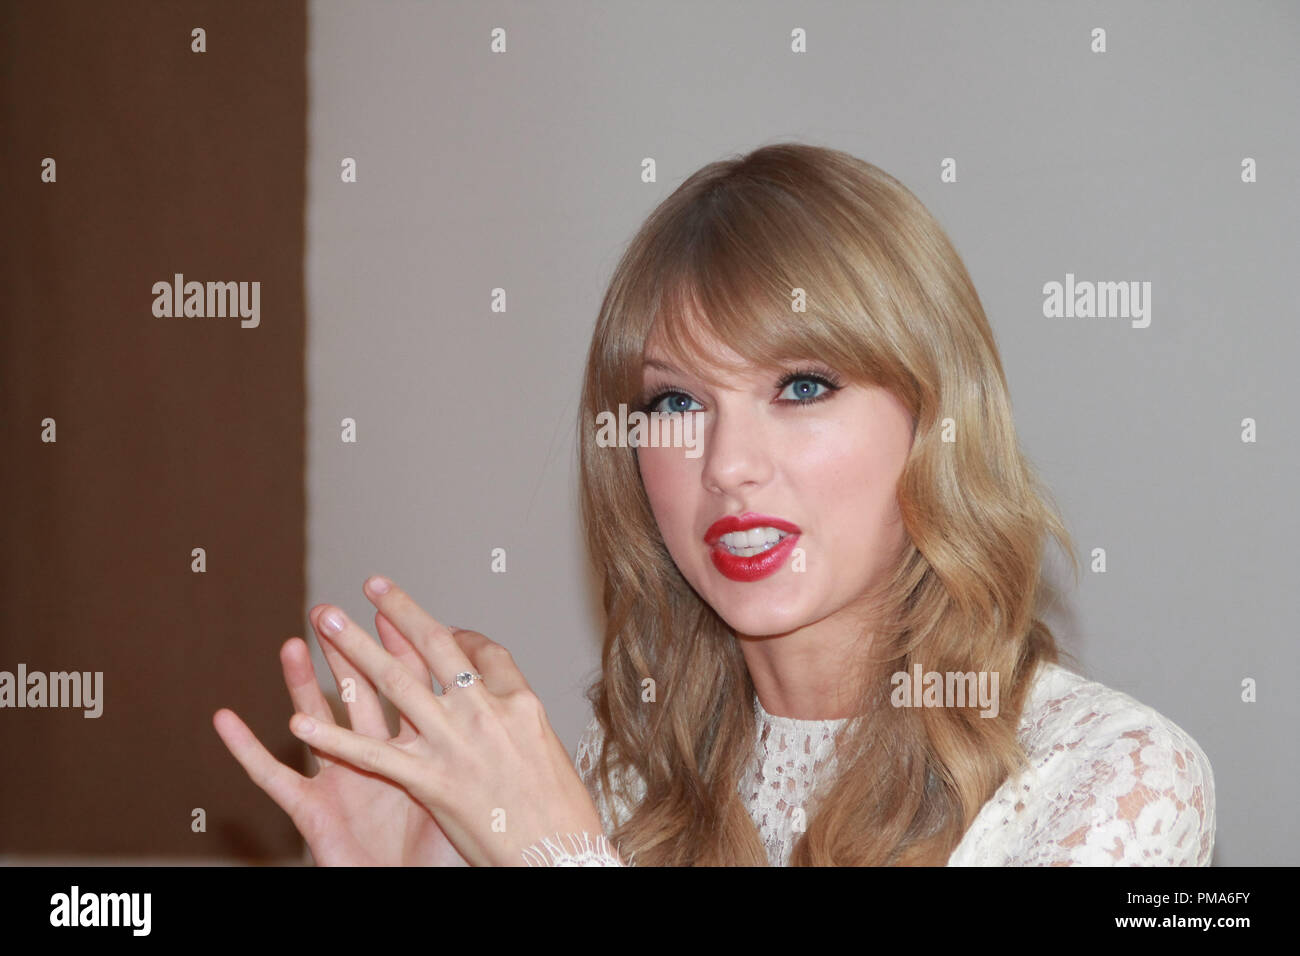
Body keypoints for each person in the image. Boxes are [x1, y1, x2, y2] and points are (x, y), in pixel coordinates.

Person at [214, 142, 1214, 866]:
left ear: (934, 419)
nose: (728, 463)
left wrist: (554, 858)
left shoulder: (1112, 780)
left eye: (803, 386)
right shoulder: (628, 778)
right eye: (678, 402)